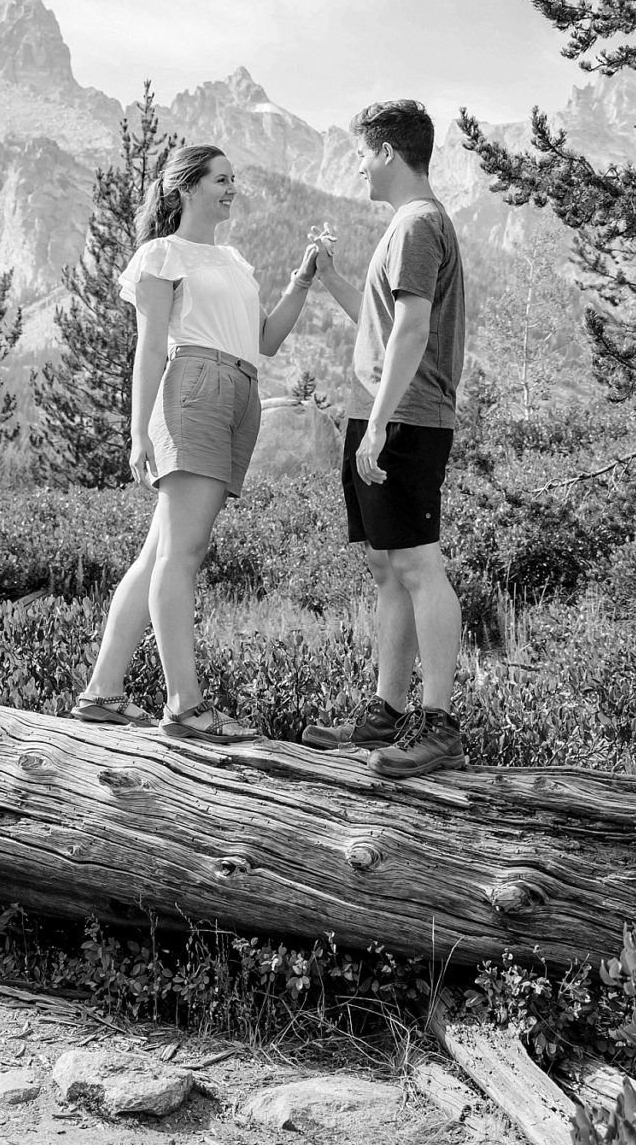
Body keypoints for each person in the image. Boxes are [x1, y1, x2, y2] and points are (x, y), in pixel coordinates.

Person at [72, 144, 317, 742]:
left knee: (160, 552)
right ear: (185, 188)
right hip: (195, 389)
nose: (232, 189)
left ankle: (103, 692)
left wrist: (301, 281)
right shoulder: (162, 254)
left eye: (235, 179)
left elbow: (264, 340)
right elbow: (150, 347)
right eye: (221, 180)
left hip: (239, 388)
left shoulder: (232, 259)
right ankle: (185, 706)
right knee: (183, 553)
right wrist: (137, 432)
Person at [302, 99, 468, 777]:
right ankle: (386, 713)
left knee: (417, 566)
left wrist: (377, 424)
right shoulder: (406, 227)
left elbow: (412, 329)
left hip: (404, 415)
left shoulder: (419, 225)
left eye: (362, 153)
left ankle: (437, 725)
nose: (358, 167)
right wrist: (332, 278)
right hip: (380, 409)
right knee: (385, 566)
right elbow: (379, 323)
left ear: (387, 154)